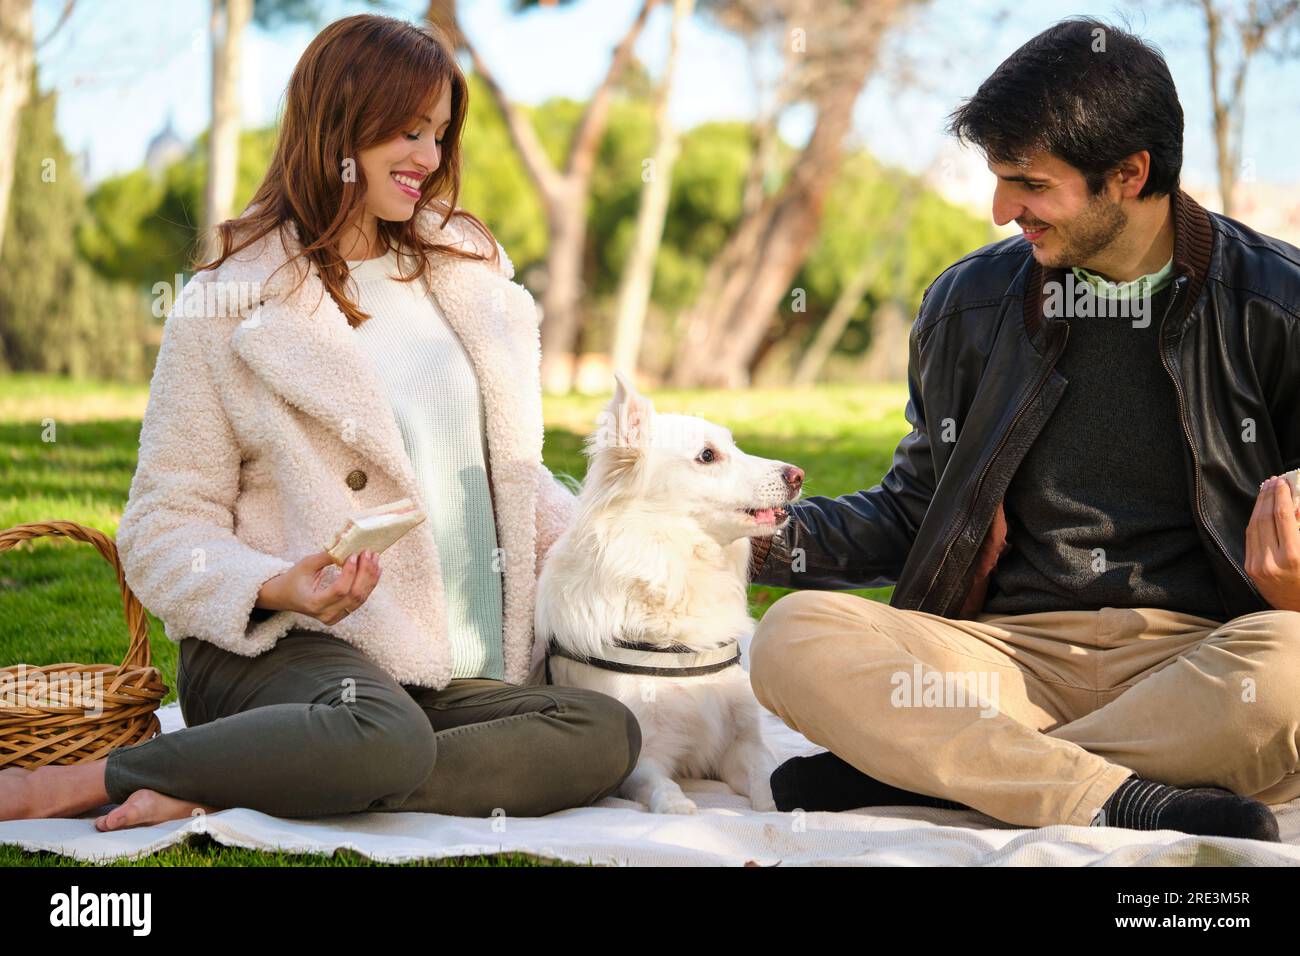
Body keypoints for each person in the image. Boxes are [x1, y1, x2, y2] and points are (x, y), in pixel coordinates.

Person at [0, 14, 640, 830]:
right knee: (378, 733)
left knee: (605, 733)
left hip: (447, 675)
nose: (430, 158)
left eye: (441, 134)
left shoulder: (467, 279)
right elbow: (162, 527)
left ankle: (257, 774)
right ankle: (96, 779)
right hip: (282, 654)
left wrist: (644, 536)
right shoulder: (230, 299)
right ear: (341, 123)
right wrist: (271, 585)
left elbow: (509, 482)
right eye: (408, 131)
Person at [747, 17, 1300, 842]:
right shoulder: (968, 305)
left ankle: (955, 775)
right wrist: (748, 538)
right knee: (793, 637)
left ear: (1129, 173)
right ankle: (1118, 796)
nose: (1003, 209)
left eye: (1029, 184)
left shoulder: (1276, 307)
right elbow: (914, 512)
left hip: (1203, 663)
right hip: (1004, 663)